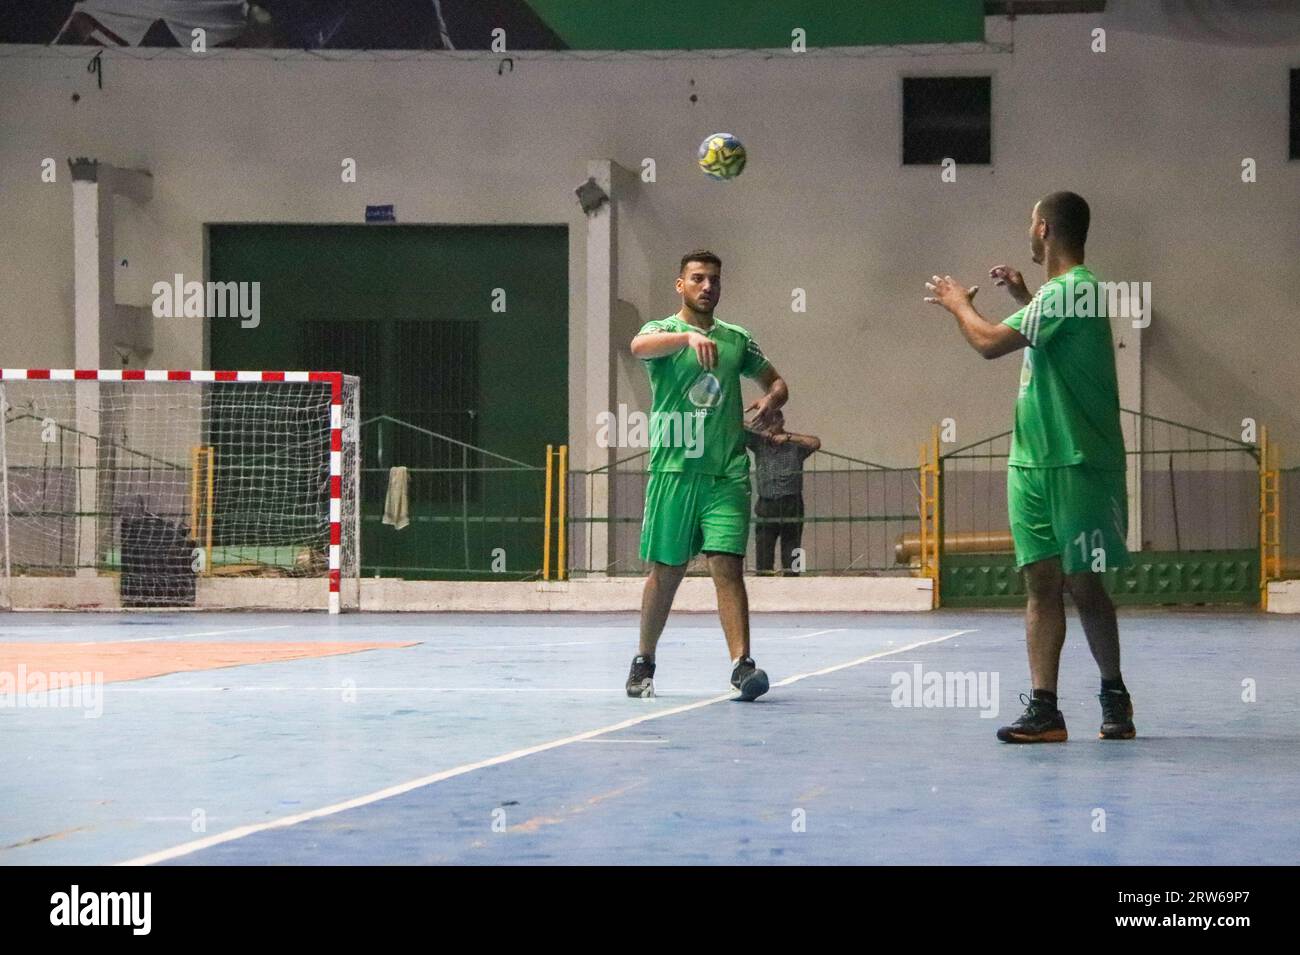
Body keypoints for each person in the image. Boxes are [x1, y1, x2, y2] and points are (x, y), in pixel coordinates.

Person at [924, 191, 1135, 743]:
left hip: (1079, 460)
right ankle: (1046, 710)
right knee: (1040, 581)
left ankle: (1114, 692)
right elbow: (1045, 337)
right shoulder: (1058, 296)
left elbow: (991, 342)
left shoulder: (1077, 288)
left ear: (1043, 228)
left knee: (1084, 582)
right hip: (1032, 461)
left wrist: (955, 303)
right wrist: (1023, 294)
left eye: (1029, 221)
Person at [626, 250, 788, 702]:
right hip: (674, 471)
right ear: (680, 285)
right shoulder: (661, 331)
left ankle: (742, 665)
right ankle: (644, 660)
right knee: (667, 571)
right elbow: (637, 347)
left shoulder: (737, 339)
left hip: (726, 473)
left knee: (727, 566)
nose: (707, 286)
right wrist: (685, 340)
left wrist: (773, 399)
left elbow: (777, 382)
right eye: (697, 279)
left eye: (714, 279)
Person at [746, 411, 820, 575]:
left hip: (791, 502)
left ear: (782, 422)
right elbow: (737, 425)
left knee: (792, 547)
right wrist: (757, 429)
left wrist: (788, 437)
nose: (771, 425)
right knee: (763, 549)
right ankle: (764, 579)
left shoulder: (795, 446)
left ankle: (794, 578)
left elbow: (815, 442)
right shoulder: (759, 443)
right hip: (766, 502)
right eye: (767, 422)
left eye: (774, 421)